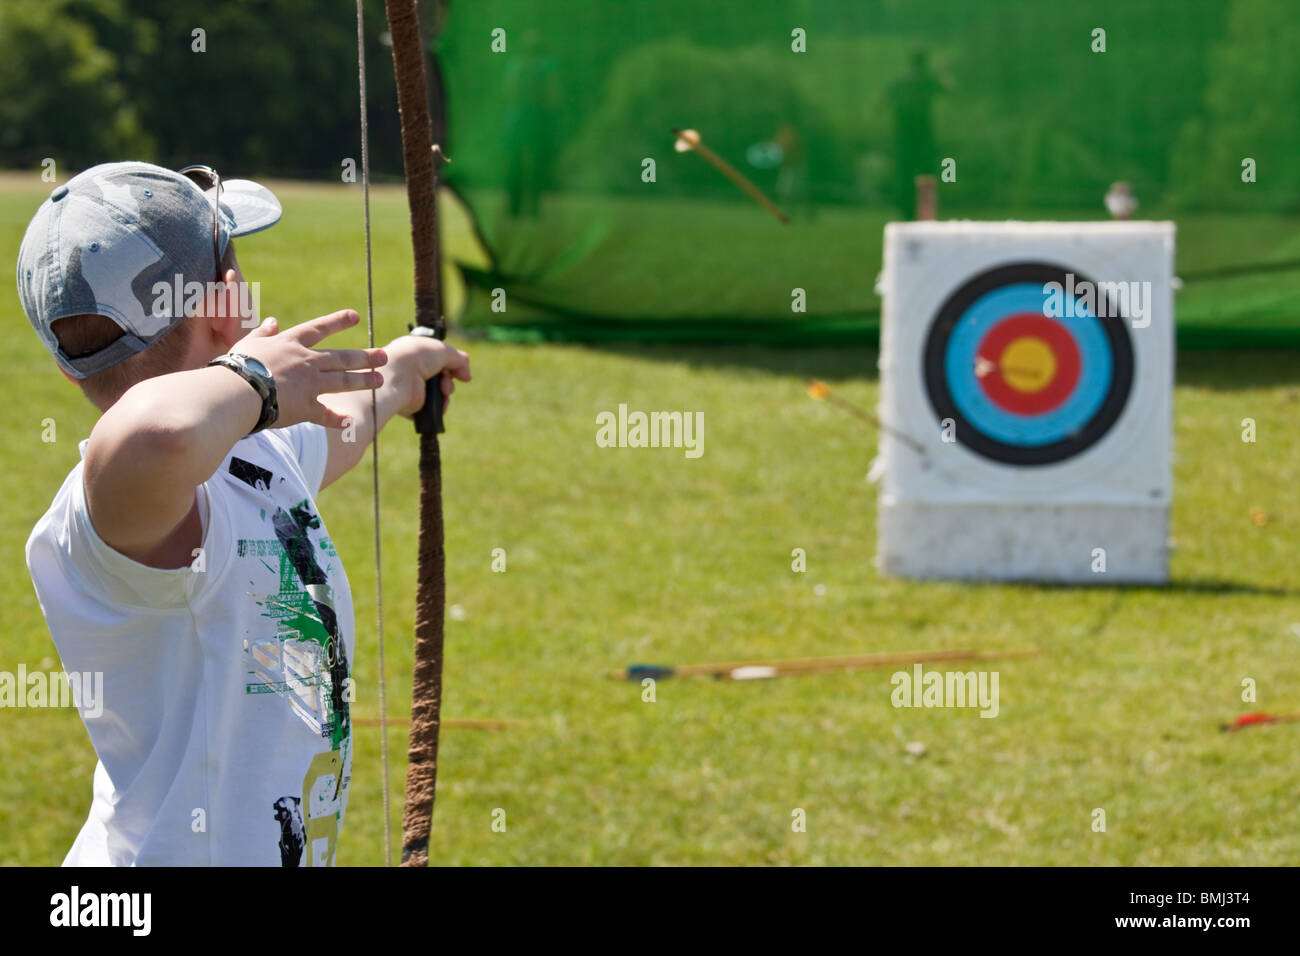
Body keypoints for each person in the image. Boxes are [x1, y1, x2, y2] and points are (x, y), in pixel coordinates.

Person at [15, 161, 471, 866]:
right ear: (229, 304)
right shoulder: (117, 502)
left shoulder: (250, 449)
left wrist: (406, 369)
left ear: (67, 366)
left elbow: (336, 422)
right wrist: (253, 378)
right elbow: (155, 436)